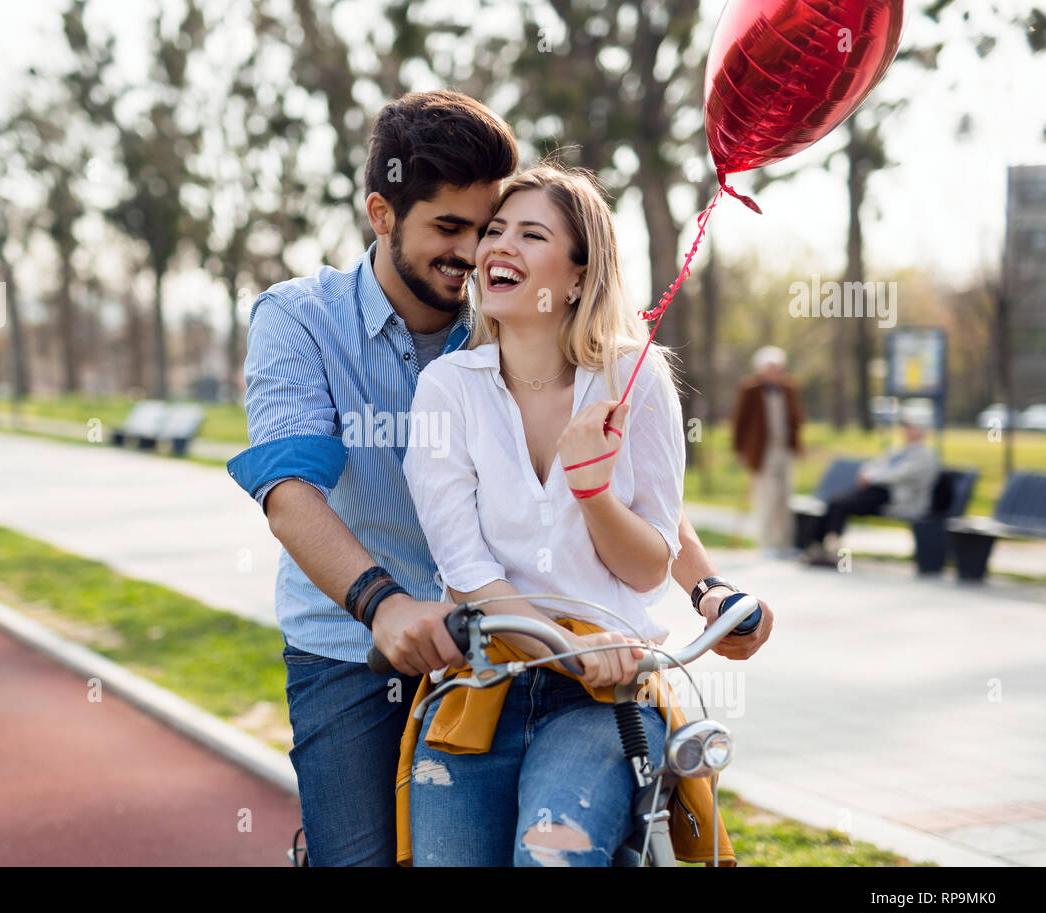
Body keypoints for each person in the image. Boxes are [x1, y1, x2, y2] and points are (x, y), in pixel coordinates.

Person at [227, 90, 773, 867]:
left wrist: (707, 589)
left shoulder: (513, 323)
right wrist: (383, 606)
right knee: (361, 858)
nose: (475, 251)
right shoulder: (301, 320)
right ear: (382, 215)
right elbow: (289, 495)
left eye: (487, 228)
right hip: (359, 641)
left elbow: (608, 487)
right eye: (449, 228)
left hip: (532, 648)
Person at [398, 160, 733, 866]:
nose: (497, 248)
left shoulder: (635, 381)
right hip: (480, 686)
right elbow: (465, 571)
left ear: (578, 276)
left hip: (604, 701)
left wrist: (593, 492)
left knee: (551, 857)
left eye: (529, 234)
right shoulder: (446, 390)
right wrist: (566, 646)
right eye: (494, 232)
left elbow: (649, 568)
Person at [802, 405, 940, 567]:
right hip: (879, 495)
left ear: (921, 430)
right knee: (835, 503)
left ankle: (836, 554)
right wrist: (869, 475)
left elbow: (898, 476)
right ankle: (818, 548)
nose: (905, 431)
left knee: (841, 505)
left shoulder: (925, 455)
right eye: (905, 427)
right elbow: (875, 465)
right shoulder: (899, 450)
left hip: (898, 501)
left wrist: (871, 477)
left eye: (910, 427)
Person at [731, 346, 804, 558]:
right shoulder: (750, 389)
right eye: (773, 368)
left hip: (785, 448)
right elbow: (739, 422)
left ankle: (786, 543)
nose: (778, 372)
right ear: (762, 369)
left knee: (785, 496)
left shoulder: (788, 388)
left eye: (780, 368)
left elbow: (797, 418)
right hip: (762, 451)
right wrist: (740, 451)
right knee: (767, 497)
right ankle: (767, 543)